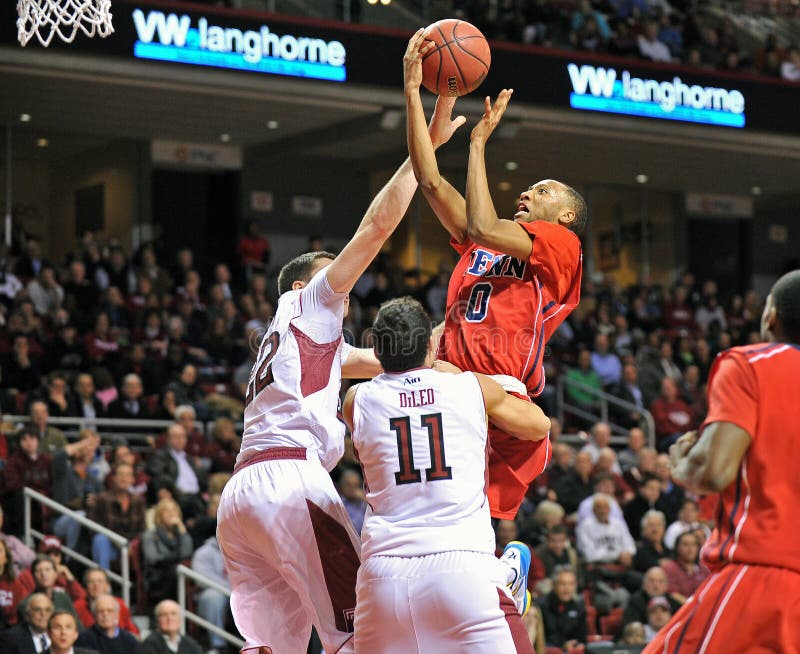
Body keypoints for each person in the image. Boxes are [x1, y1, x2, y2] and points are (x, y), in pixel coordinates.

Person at [216, 48, 466, 653]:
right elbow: (376, 228)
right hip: (289, 483)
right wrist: (420, 156)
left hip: (242, 499)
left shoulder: (305, 342)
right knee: (358, 630)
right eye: (334, 277)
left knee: (268, 646)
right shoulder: (307, 303)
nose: (344, 287)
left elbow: (394, 361)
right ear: (303, 285)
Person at [405, 43, 585, 520]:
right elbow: (427, 178)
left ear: (565, 214)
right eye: (529, 188)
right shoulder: (482, 245)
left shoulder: (562, 245)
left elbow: (485, 225)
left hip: (500, 387)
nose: (527, 191)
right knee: (443, 510)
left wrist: (478, 144)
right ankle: (500, 576)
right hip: (447, 381)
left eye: (542, 191)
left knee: (474, 503)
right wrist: (411, 91)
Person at [342, 297, 552, 653]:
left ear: (377, 349)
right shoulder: (470, 388)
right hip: (461, 566)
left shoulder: (356, 400)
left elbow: (395, 378)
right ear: (430, 346)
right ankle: (505, 575)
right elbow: (538, 426)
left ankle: (505, 575)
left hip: (382, 577)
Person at [645, 272, 800, 652]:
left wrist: (680, 464)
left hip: (764, 577)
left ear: (771, 318)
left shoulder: (752, 364)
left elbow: (713, 470)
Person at [88, 463, 146, 570]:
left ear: (133, 479)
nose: (124, 478)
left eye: (128, 475)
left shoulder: (138, 501)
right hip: (111, 546)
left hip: (132, 548)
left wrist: (133, 545)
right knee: (100, 539)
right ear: (113, 478)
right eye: (120, 475)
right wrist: (120, 544)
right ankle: (104, 582)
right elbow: (94, 529)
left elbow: (142, 529)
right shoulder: (102, 499)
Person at [141, 499, 193, 605]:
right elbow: (152, 558)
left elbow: (187, 553)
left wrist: (183, 532)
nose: (172, 514)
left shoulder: (179, 534)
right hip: (157, 577)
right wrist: (175, 558)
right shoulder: (150, 535)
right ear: (159, 516)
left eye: (174, 511)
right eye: (167, 511)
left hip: (176, 575)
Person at [190, 536, 229, 654]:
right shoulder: (203, 552)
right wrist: (230, 590)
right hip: (212, 593)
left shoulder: (241, 550)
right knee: (213, 597)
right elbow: (202, 579)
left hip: (238, 594)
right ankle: (218, 645)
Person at [73, 569, 139, 636]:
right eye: (91, 582)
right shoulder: (78, 606)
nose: (96, 585)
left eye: (100, 581)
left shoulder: (119, 604)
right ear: (86, 587)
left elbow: (132, 631)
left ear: (107, 586)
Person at [538, 566, 587, 650]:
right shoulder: (542, 606)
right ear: (553, 585)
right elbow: (547, 636)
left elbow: (582, 637)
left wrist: (579, 645)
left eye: (571, 584)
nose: (567, 589)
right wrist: (563, 645)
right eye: (562, 584)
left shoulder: (579, 608)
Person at [75, 594, 139, 654]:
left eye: (110, 611)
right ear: (94, 615)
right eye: (100, 611)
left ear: (117, 615)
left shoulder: (129, 640)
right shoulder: (83, 639)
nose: (105, 615)